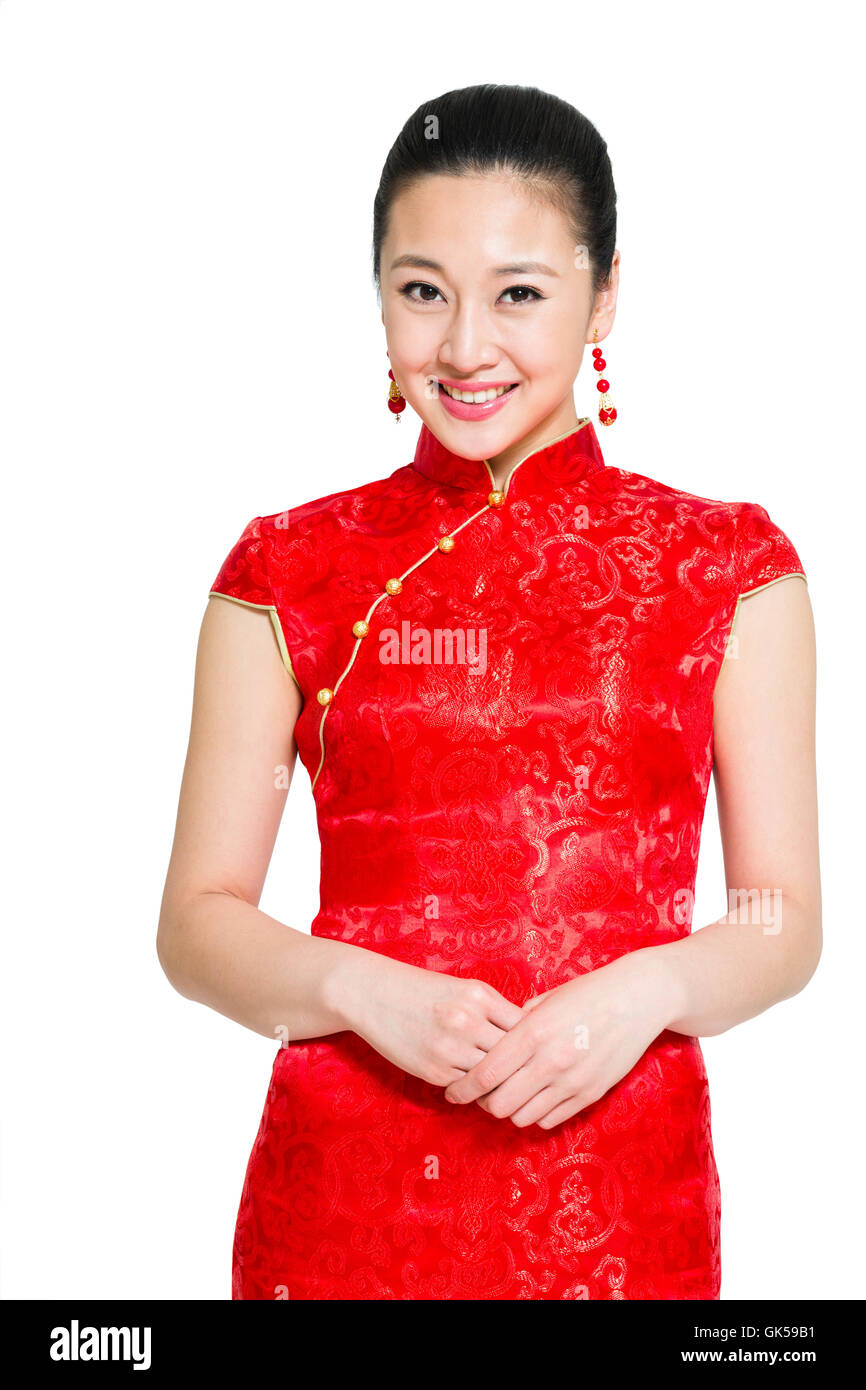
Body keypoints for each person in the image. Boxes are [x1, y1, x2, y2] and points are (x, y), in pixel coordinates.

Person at [157, 83, 821, 1300]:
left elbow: (782, 922)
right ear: (378, 298)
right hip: (340, 1207)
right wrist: (349, 986)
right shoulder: (283, 569)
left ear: (604, 293)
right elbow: (197, 922)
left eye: (519, 292)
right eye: (422, 291)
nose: (464, 347)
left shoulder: (730, 568)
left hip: (617, 1205)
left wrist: (652, 986)